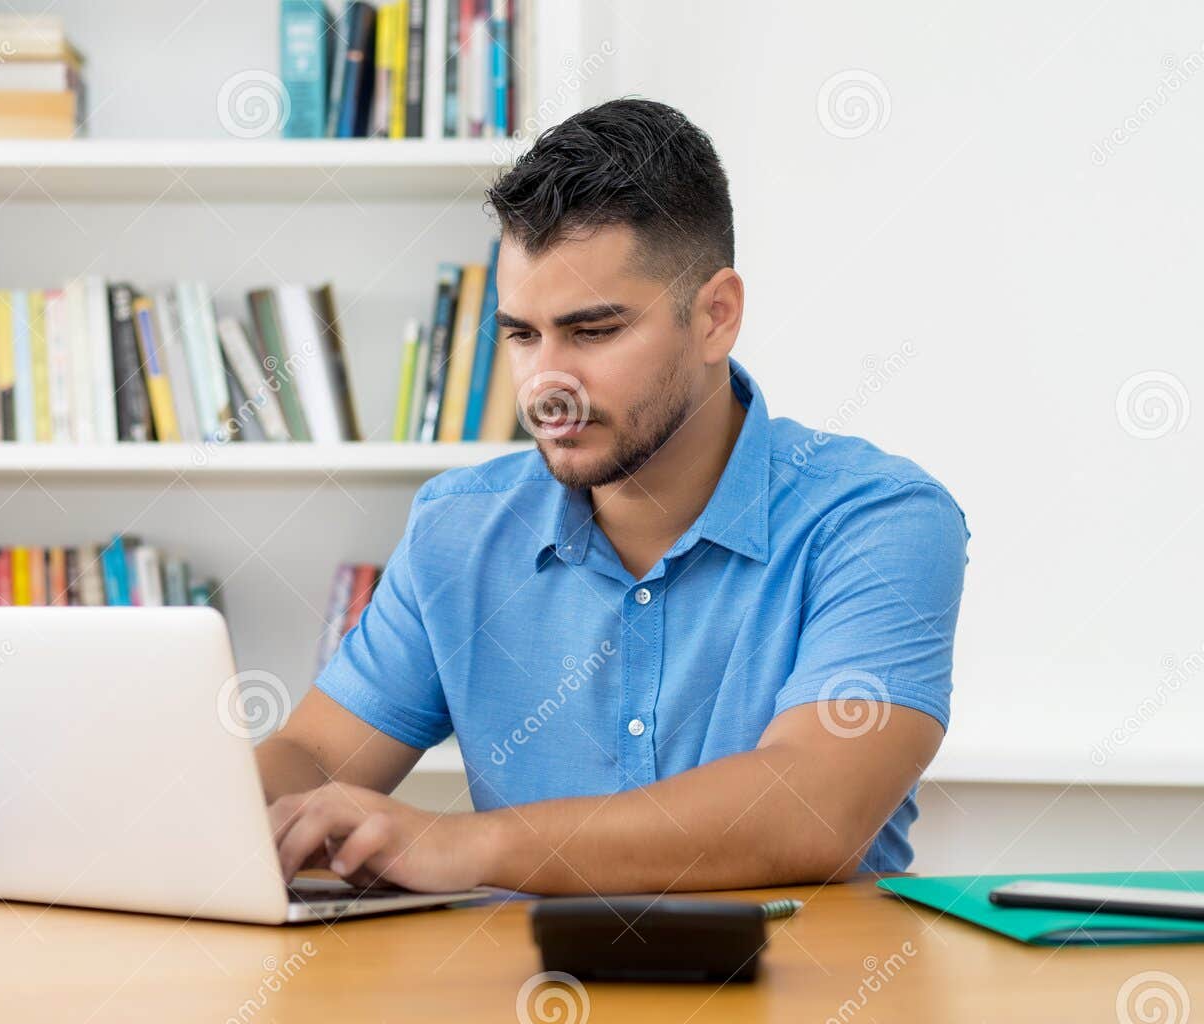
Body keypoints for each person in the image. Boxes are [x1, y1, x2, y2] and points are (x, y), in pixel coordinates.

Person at [256, 97, 969, 895]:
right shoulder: (457, 528)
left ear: (715, 316)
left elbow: (809, 807)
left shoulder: (878, 521)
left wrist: (468, 846)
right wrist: (196, 803)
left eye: (593, 332)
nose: (545, 386)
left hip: (800, 1008)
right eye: (522, 335)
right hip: (527, 1006)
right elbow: (316, 756)